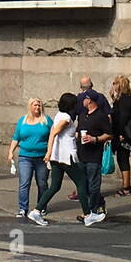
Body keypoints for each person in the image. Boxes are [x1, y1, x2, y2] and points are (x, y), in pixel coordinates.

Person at [27, 93, 87, 225]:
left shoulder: (60, 114)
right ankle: (88, 214)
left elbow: (56, 133)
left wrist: (50, 153)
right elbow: (54, 133)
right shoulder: (66, 118)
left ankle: (36, 211)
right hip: (66, 156)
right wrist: (48, 152)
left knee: (55, 186)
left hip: (57, 156)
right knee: (82, 182)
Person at [8, 97, 51, 219]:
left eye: (39, 105)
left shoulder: (46, 120)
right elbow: (16, 137)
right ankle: (23, 208)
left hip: (42, 157)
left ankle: (41, 207)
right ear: (30, 107)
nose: (37, 107)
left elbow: (53, 136)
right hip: (25, 156)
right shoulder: (23, 120)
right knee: (24, 183)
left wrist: (50, 152)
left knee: (42, 183)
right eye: (35, 105)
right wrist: (11, 151)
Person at [75, 91, 112, 224]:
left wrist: (95, 139)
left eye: (83, 99)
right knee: (83, 185)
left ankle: (92, 211)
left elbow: (109, 134)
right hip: (81, 154)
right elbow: (78, 131)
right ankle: (98, 204)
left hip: (94, 155)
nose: (82, 102)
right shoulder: (82, 115)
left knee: (93, 184)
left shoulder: (100, 116)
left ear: (89, 100)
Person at [110, 74, 131, 196]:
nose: (113, 85)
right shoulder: (123, 98)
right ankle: (125, 185)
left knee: (123, 158)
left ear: (120, 85)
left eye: (115, 83)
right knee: (121, 158)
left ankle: (126, 187)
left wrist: (121, 134)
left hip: (124, 134)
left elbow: (123, 118)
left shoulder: (124, 99)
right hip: (123, 133)